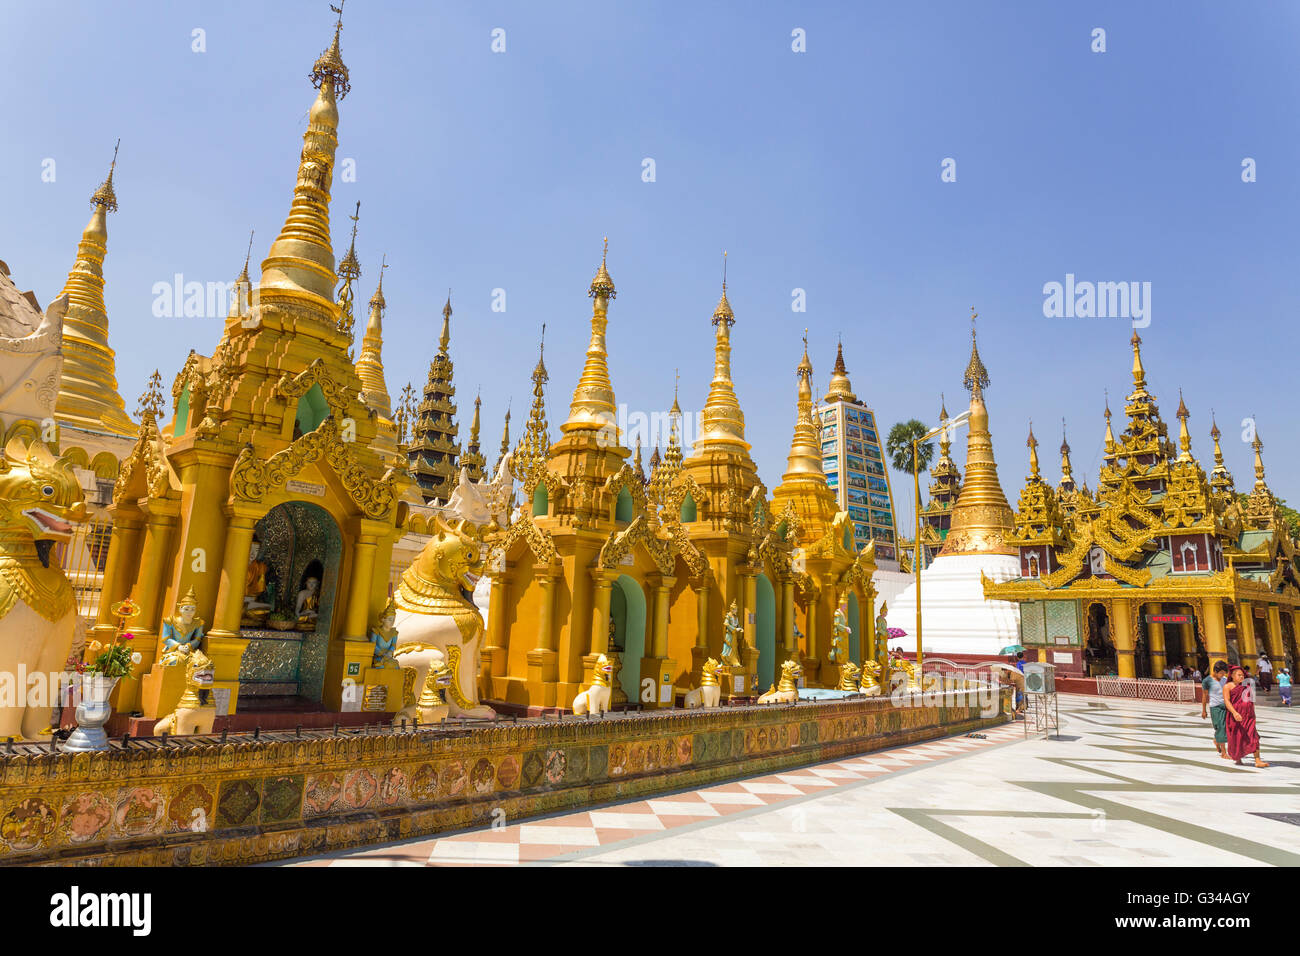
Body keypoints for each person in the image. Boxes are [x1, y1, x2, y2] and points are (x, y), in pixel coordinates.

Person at [1222, 664, 1267, 768]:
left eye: (1242, 675)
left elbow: (1250, 701)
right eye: (1239, 675)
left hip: (1248, 716)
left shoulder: (1246, 686)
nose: (1242, 677)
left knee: (1253, 736)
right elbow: (1227, 701)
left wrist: (1252, 713)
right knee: (1237, 737)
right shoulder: (1227, 686)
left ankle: (1258, 760)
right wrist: (1234, 713)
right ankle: (1238, 758)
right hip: (1235, 716)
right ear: (1232, 675)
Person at [1200, 661, 1230, 760]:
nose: (1222, 675)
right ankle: (1224, 753)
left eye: (1224, 673)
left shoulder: (1225, 680)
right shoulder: (1207, 681)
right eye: (1221, 673)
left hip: (1225, 706)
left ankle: (1217, 741)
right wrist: (1204, 710)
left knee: (1226, 728)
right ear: (1215, 671)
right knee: (1220, 727)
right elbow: (1204, 696)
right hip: (1215, 707)